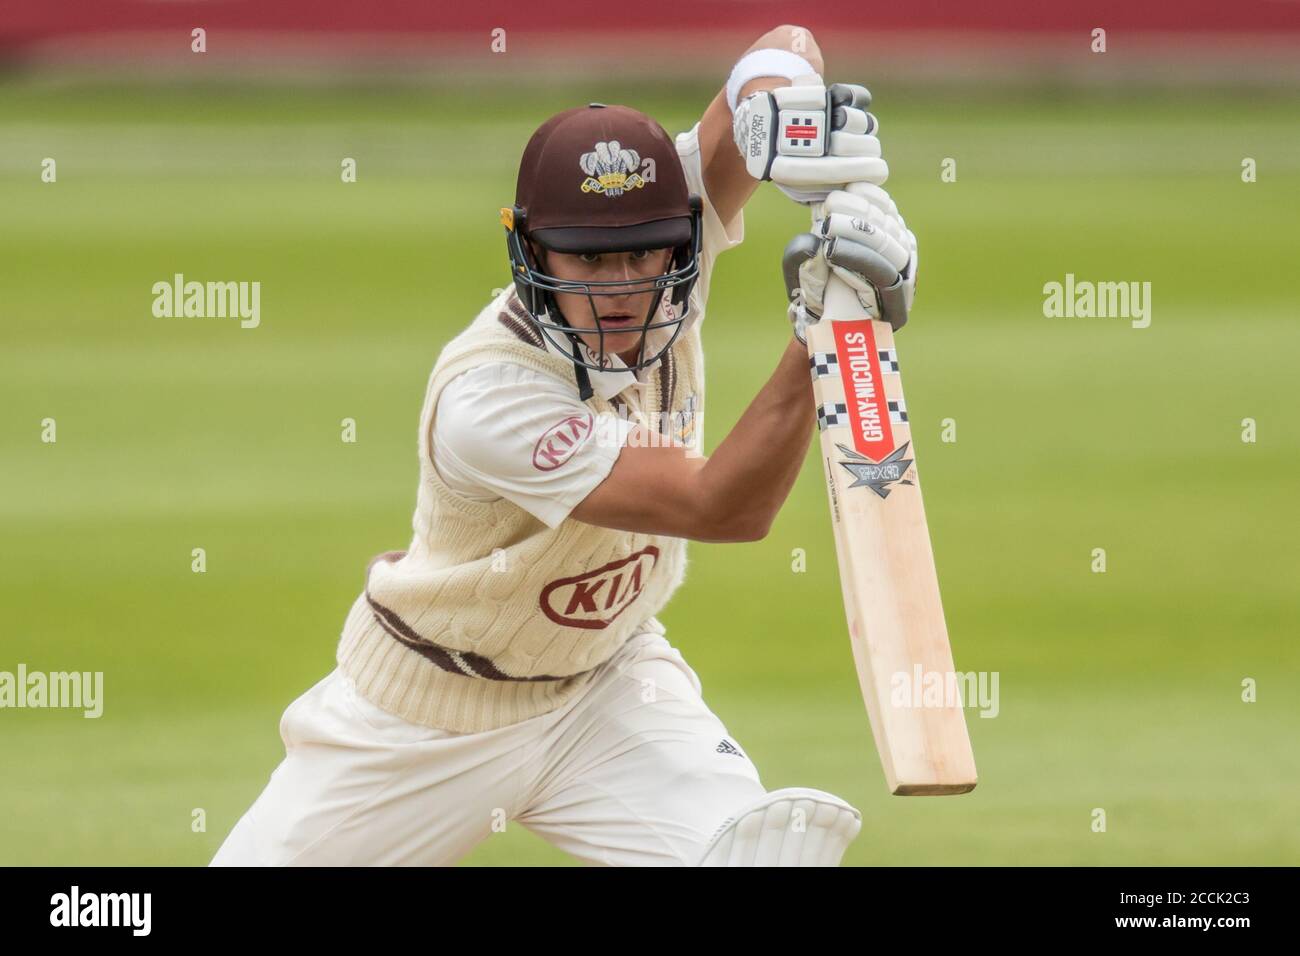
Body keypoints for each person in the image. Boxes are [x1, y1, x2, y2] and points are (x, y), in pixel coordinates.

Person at [212, 24, 918, 867]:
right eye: (586, 263)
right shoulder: (488, 397)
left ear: (681, 237)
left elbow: (784, 46)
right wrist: (826, 329)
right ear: (531, 253)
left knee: (757, 859)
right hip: (426, 713)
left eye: (643, 256)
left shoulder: (671, 232)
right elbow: (722, 507)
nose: (622, 289)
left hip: (612, 688)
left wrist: (785, 97)